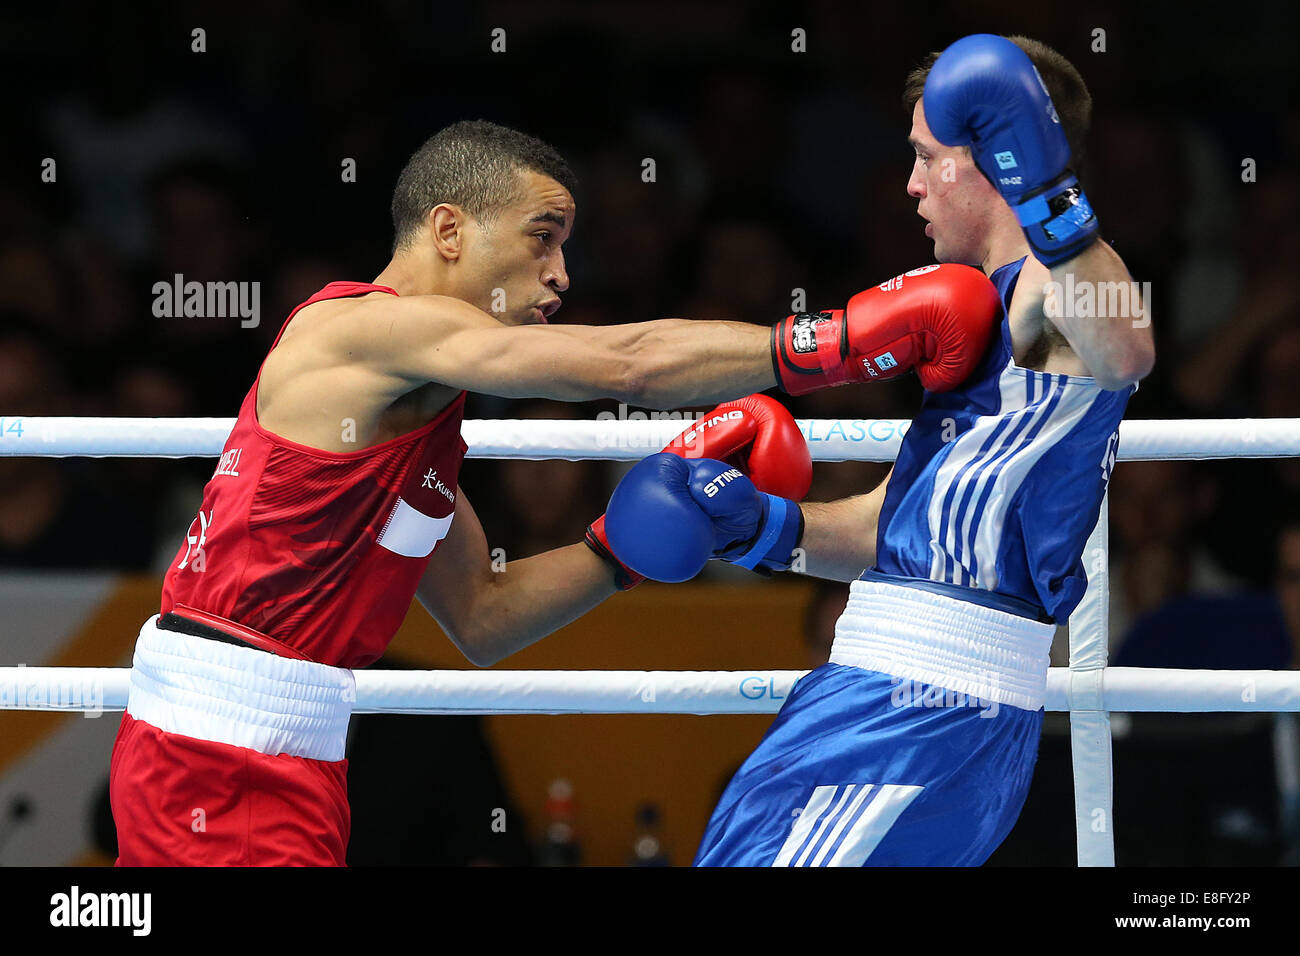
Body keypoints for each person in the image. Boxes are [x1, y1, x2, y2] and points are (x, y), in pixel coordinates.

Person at [108, 119, 999, 866]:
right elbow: (628, 364)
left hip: (281, 745)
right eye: (542, 237)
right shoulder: (358, 330)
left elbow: (485, 618)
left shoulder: (416, 424)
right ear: (448, 230)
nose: (562, 276)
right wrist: (830, 343)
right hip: (221, 750)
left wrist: (622, 550)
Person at [603, 34, 1155, 866]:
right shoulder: (981, 312)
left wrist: (1049, 192)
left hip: (911, 707)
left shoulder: (1054, 285)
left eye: (929, 158)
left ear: (1001, 156)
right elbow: (895, 527)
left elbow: (1127, 348)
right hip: (930, 699)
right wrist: (760, 526)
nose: (910, 185)